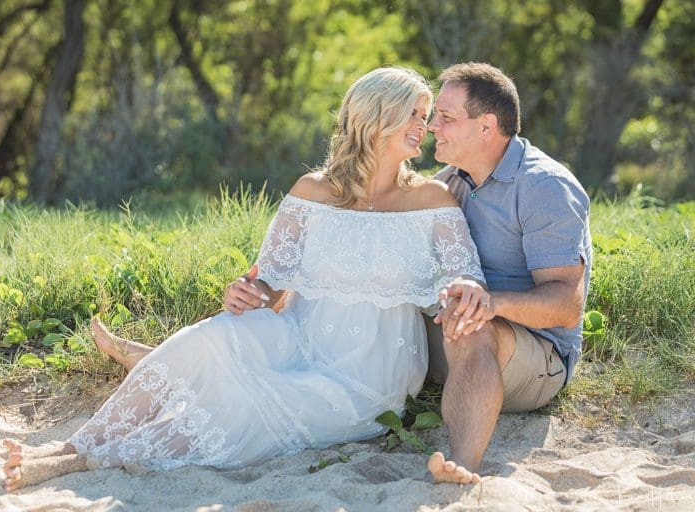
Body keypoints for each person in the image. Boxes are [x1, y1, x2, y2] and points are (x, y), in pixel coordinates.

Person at [1, 66, 488, 492]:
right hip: (298, 336)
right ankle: (75, 444)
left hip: (370, 376)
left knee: (248, 403)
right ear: (375, 116)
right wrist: (244, 290)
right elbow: (268, 280)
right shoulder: (313, 191)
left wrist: (461, 291)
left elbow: (466, 275)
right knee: (209, 338)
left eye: (427, 116)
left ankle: (84, 463)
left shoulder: (431, 201)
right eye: (415, 114)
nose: (424, 127)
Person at [225, 62, 592, 485]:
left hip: (536, 355)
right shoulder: (450, 182)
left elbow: (567, 306)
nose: (433, 126)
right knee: (349, 297)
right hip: (458, 329)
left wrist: (490, 303)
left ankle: (463, 465)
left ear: (487, 126)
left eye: (445, 117)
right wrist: (264, 295)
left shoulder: (543, 187)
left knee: (469, 322)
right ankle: (216, 363)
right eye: (429, 115)